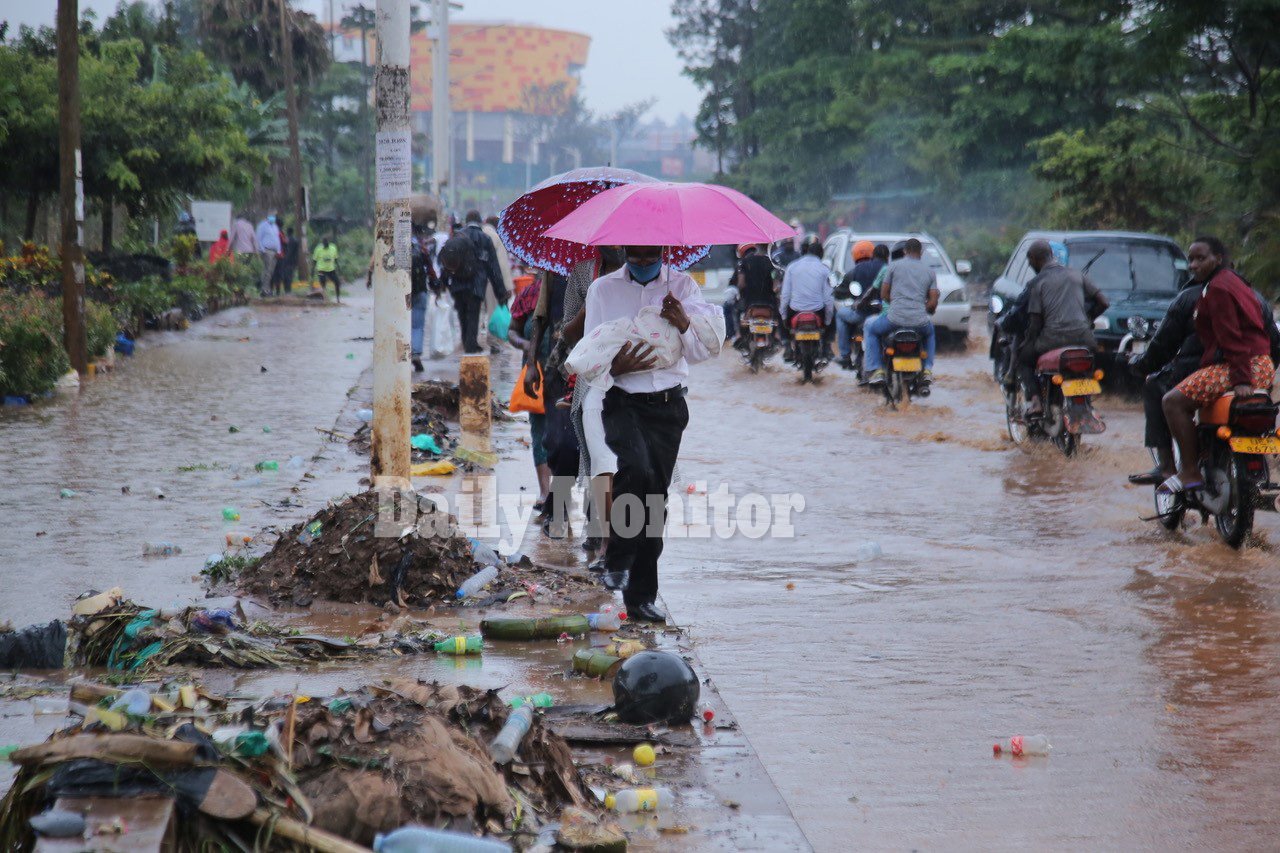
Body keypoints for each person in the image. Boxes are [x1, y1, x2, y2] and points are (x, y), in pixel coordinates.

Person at [583, 246, 725, 623]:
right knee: (638, 470)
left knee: (654, 502)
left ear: (663, 250)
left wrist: (683, 323)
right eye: (636, 256)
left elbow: (700, 353)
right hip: (622, 400)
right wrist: (615, 365)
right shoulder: (602, 290)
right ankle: (616, 560)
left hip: (668, 406)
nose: (642, 264)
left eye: (650, 258)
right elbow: (589, 352)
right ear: (624, 250)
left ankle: (641, 598)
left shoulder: (684, 287)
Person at [1159, 237, 1276, 496]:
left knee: (1172, 402)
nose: (1193, 265)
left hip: (1246, 365)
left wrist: (1242, 379)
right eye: (1190, 259)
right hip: (1259, 363)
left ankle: (1189, 470)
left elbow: (1231, 337)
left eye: (1201, 258)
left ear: (1218, 259)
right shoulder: (1235, 282)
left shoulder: (1219, 289)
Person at [1015, 239, 1108, 415]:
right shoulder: (1077, 275)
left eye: (1030, 263)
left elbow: (1035, 323)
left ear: (1035, 259)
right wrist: (1088, 319)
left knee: (1024, 360)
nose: (1030, 266)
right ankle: (1088, 402)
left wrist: (1026, 345)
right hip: (1084, 339)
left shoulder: (1036, 283)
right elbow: (1104, 302)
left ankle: (1036, 402)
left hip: (1052, 340)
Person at [863, 239, 940, 386]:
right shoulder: (930, 272)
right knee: (930, 333)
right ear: (921, 253)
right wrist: (924, 308)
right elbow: (933, 302)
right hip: (919, 322)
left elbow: (884, 293)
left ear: (905, 251)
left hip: (893, 320)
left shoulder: (893, 267)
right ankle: (927, 370)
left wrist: (896, 303)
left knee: (871, 330)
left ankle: (876, 369)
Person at [508, 272, 552, 512]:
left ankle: (563, 492)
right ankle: (546, 492)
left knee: (565, 436)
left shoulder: (575, 290)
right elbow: (511, 331)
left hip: (567, 373)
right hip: (535, 372)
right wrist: (527, 346)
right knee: (540, 431)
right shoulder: (529, 294)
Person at [439, 230, 506, 353]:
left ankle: (467, 344)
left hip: (457, 286)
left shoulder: (457, 237)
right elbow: (493, 267)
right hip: (476, 286)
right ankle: (470, 349)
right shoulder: (485, 239)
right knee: (473, 316)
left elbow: (446, 263)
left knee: (462, 316)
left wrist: (442, 283)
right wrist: (501, 292)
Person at [779, 236, 835, 360]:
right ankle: (827, 347)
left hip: (795, 310)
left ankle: (787, 346)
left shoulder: (792, 267)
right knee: (833, 310)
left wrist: (783, 317)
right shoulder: (824, 269)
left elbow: (785, 296)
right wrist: (827, 322)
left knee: (780, 311)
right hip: (818, 310)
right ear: (821, 253)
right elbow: (828, 299)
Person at [835, 241, 887, 370]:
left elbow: (839, 293)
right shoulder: (888, 269)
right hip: (884, 315)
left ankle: (845, 355)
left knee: (841, 314)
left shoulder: (854, 271)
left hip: (861, 314)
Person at [732, 243, 778, 351]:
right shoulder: (771, 263)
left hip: (749, 303)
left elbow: (741, 284)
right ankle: (777, 336)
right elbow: (775, 286)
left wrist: (741, 292)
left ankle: (738, 335)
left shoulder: (744, 262)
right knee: (779, 315)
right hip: (769, 304)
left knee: (736, 310)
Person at [483, 215, 516, 349]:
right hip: (492, 281)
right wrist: (507, 287)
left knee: (477, 313)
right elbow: (502, 265)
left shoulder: (479, 233)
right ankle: (493, 341)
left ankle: (470, 345)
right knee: (493, 309)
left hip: (475, 279)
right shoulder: (495, 238)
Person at [410, 224, 439, 372]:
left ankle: (400, 355)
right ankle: (415, 353)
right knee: (417, 325)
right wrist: (436, 288)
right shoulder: (421, 248)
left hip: (401, 293)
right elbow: (430, 270)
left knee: (400, 323)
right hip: (420, 291)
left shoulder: (394, 248)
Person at [255, 213, 282, 296]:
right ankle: (264, 290)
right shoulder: (262, 226)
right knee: (267, 270)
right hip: (267, 251)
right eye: (271, 216)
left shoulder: (275, 226)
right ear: (267, 217)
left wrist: (279, 250)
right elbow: (258, 238)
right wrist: (262, 250)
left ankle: (266, 289)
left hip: (275, 252)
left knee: (270, 272)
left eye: (274, 217)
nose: (273, 218)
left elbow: (277, 239)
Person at [312, 235, 341, 303]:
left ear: (328, 242)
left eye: (326, 243)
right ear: (322, 243)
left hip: (331, 269)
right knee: (323, 282)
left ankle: (338, 299)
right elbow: (314, 261)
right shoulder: (318, 249)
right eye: (324, 244)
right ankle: (324, 299)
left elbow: (336, 259)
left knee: (337, 282)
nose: (325, 245)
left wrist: (339, 268)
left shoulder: (333, 248)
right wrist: (312, 270)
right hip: (321, 269)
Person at [276, 225, 300, 294]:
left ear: (288, 232)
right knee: (289, 276)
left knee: (285, 276)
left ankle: (287, 290)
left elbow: (286, 251)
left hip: (285, 260)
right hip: (292, 262)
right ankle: (288, 291)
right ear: (292, 232)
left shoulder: (286, 240)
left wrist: (284, 260)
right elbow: (296, 253)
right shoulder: (296, 240)